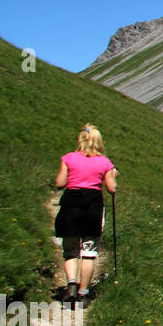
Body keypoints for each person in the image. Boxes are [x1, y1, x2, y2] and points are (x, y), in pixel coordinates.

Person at [54, 123, 118, 305]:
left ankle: (71, 285)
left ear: (81, 140)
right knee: (89, 251)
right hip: (92, 206)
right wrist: (113, 175)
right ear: (99, 142)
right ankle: (84, 292)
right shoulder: (105, 162)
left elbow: (60, 183)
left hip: (71, 204)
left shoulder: (68, 158)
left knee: (70, 248)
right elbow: (111, 188)